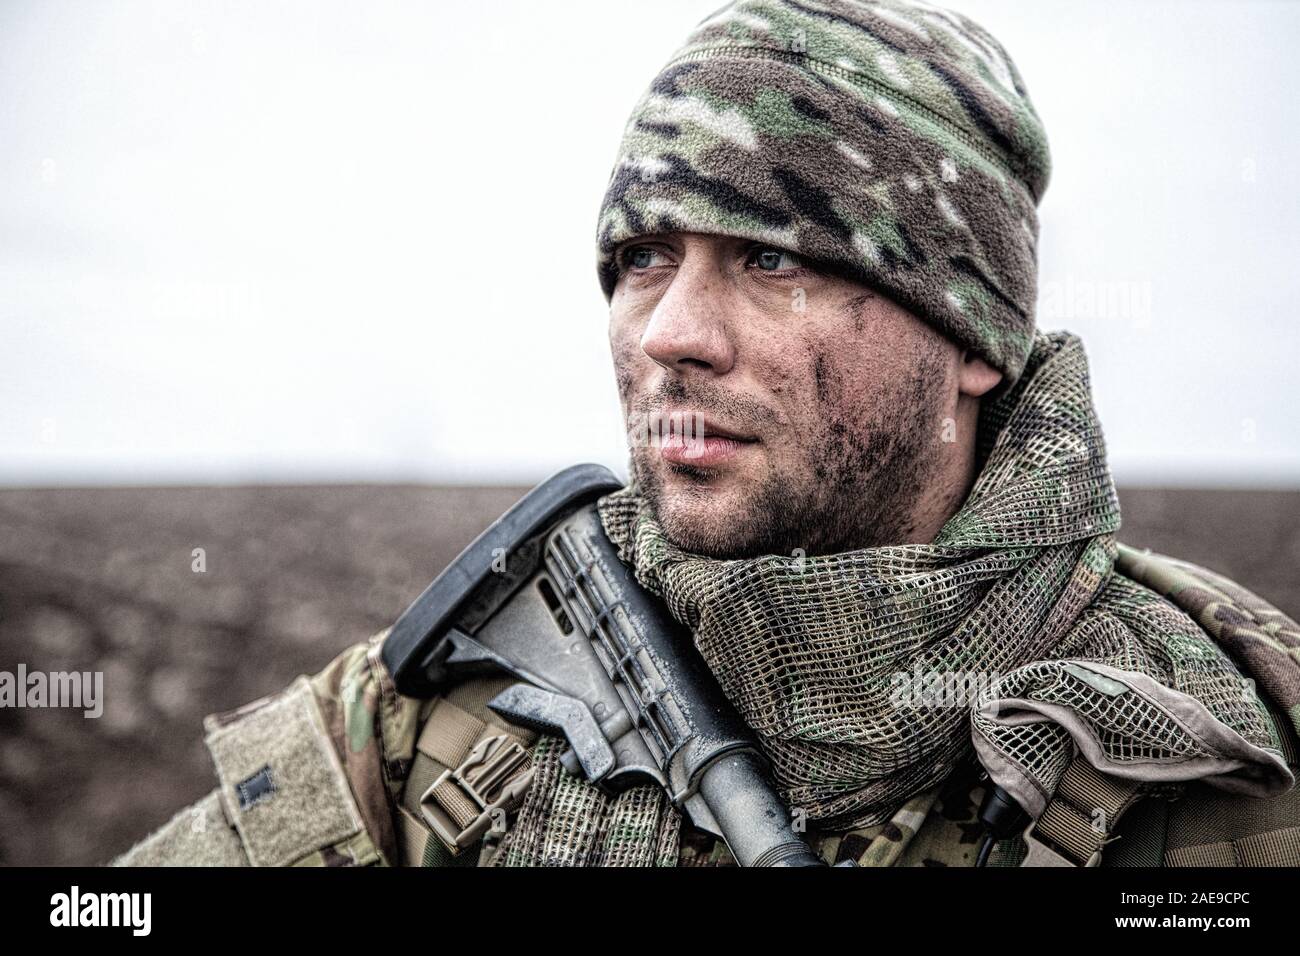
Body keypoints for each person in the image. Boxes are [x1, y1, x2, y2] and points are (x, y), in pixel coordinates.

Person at [113, 0, 1300, 868]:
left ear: (972, 336)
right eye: (642, 259)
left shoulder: (1225, 754)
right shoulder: (447, 705)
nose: (669, 334)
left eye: (769, 258)